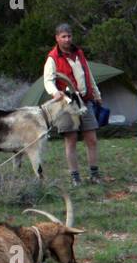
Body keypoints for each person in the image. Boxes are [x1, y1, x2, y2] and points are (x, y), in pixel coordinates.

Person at [43, 23, 103, 186]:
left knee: (92, 139)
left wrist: (97, 94)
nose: (67, 39)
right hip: (66, 104)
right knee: (71, 140)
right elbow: (48, 80)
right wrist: (55, 92)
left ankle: (94, 174)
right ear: (57, 38)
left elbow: (88, 75)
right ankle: (75, 177)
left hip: (84, 101)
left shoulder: (79, 53)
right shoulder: (53, 58)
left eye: (69, 36)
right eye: (63, 36)